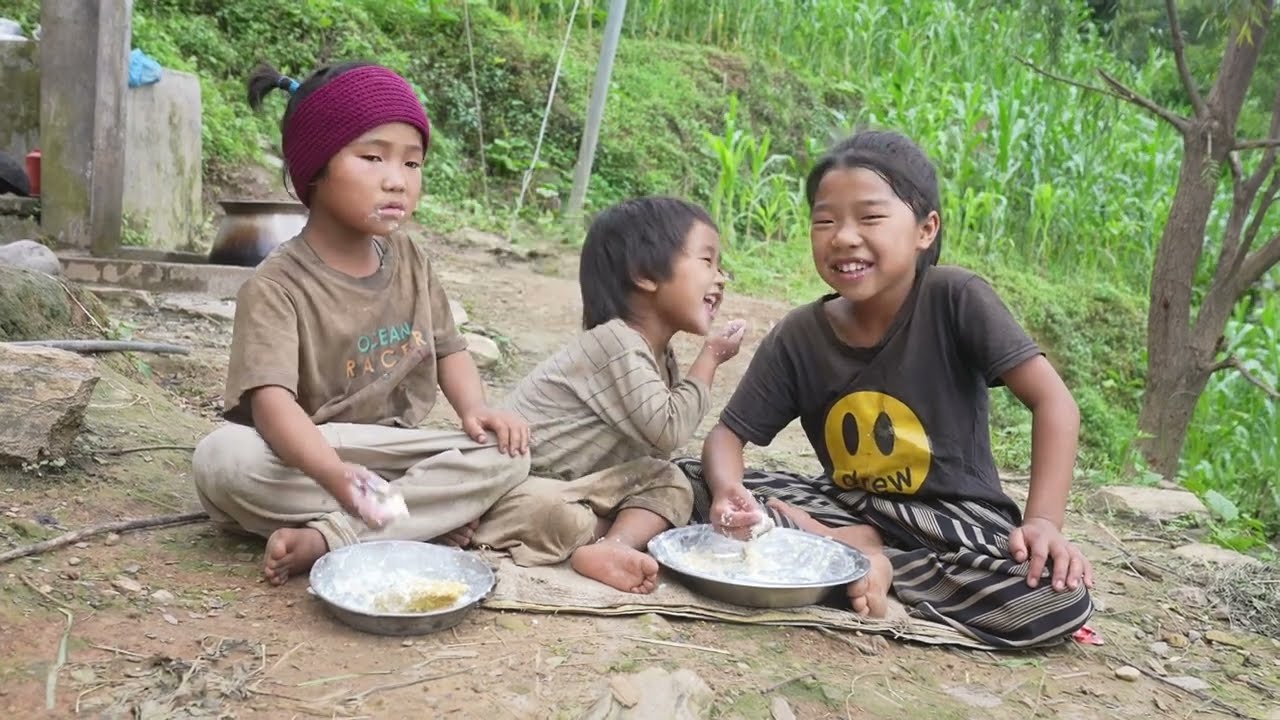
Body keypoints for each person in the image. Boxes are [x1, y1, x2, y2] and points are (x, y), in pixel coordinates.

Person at [676, 129, 1095, 648]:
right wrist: (727, 494)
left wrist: (1044, 524)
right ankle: (849, 552)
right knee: (687, 480)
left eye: (870, 218)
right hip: (847, 507)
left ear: (925, 229)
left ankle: (862, 563)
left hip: (954, 523)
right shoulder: (801, 334)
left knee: (1059, 598)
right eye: (824, 220)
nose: (844, 236)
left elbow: (1054, 402)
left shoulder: (954, 298)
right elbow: (727, 438)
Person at [191, 60, 531, 585]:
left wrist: (477, 409)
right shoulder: (276, 285)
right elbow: (272, 404)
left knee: (508, 456)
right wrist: (334, 474)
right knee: (223, 460)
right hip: (308, 453)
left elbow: (449, 348)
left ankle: (332, 535)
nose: (397, 181)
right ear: (315, 170)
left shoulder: (411, 259)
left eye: (413, 165)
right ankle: (414, 517)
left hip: (392, 452)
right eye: (372, 158)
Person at [472, 197, 746, 594]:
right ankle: (601, 535)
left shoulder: (659, 356)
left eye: (720, 266)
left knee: (671, 482)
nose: (720, 278)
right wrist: (711, 358)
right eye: (707, 261)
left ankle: (611, 546)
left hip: (587, 486)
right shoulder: (615, 342)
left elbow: (655, 454)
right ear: (644, 274)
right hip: (521, 486)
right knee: (559, 514)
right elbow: (667, 429)